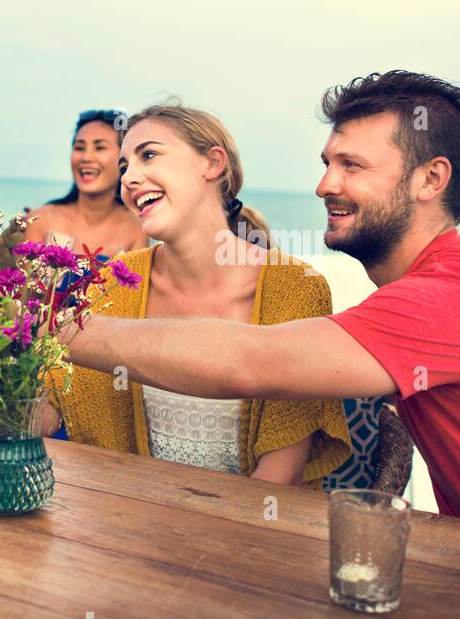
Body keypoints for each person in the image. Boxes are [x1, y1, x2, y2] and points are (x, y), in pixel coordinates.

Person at [57, 71, 460, 518]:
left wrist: (50, 327)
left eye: (351, 165)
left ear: (431, 179)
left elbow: (253, 363)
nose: (324, 185)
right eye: (327, 164)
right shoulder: (425, 292)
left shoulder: (447, 296)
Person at [45, 103, 351, 485]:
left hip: (248, 535)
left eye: (149, 155)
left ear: (212, 163)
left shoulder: (295, 288)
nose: (129, 179)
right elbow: (48, 410)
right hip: (125, 523)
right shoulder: (114, 281)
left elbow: (280, 475)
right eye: (124, 168)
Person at [23, 109, 148, 256]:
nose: (86, 157)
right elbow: (23, 278)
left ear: (124, 158)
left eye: (100, 147)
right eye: (79, 148)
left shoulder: (136, 228)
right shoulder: (40, 220)